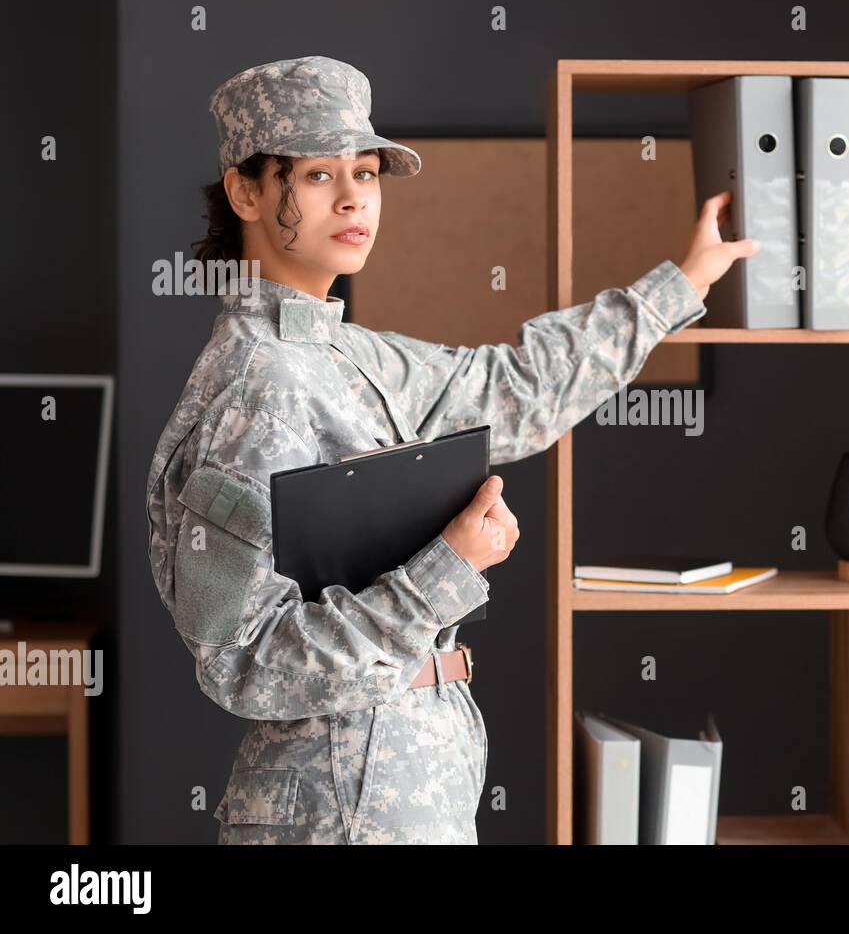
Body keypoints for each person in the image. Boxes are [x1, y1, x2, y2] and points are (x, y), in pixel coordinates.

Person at [144, 55, 758, 844]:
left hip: (396, 778)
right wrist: (450, 568)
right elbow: (245, 662)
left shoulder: (349, 357)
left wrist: (685, 280)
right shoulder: (256, 384)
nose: (353, 197)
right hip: (340, 806)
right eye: (319, 175)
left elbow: (516, 388)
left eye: (366, 173)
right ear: (247, 192)